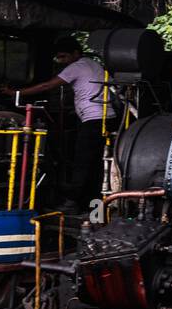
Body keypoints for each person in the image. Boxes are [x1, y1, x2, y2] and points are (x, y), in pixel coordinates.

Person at [12, 35, 107, 214]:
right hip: (105, 119)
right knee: (96, 165)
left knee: (81, 163)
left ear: (76, 53)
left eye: (64, 57)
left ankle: (71, 203)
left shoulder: (77, 66)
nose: (61, 61)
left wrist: (15, 92)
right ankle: (94, 206)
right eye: (59, 58)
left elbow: (47, 86)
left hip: (92, 120)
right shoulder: (94, 64)